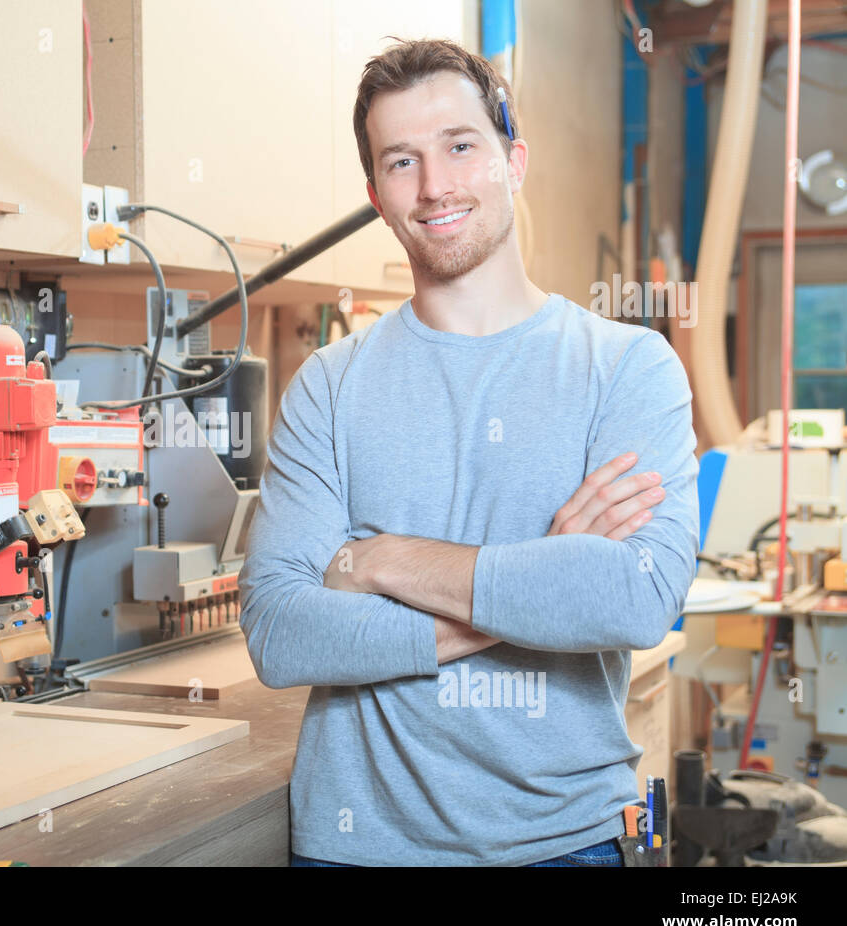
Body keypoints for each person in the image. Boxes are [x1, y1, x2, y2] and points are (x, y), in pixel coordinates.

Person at [236, 37, 700, 866]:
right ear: (377, 194)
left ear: (512, 161)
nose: (436, 185)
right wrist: (544, 575)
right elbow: (281, 635)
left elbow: (635, 600)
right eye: (402, 161)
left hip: (567, 839)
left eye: (460, 147)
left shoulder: (626, 367)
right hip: (360, 845)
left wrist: (381, 558)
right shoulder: (329, 386)